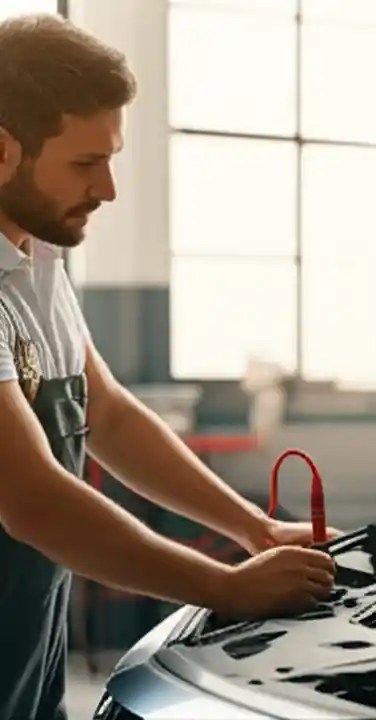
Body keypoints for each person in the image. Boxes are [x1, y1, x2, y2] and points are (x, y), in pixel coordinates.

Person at [0, 14, 339, 719]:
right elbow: (33, 500)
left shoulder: (38, 257)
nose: (109, 189)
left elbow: (108, 414)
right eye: (85, 164)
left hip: (26, 661)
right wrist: (226, 588)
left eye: (111, 159)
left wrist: (253, 528)